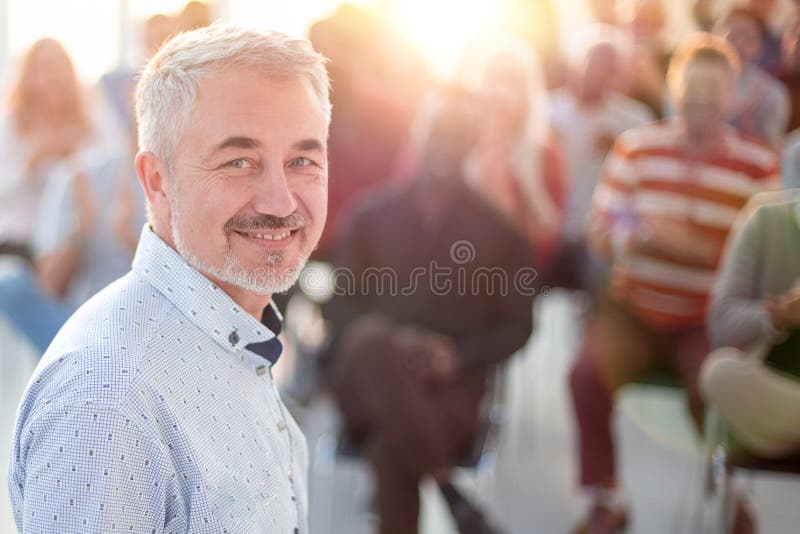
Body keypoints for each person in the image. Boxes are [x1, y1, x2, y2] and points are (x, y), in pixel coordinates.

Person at [9, 24, 330, 533]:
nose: (282, 201)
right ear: (158, 182)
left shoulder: (236, 338)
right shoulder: (109, 397)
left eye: (303, 161)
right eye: (240, 161)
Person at [569, 33, 779, 533]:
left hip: (705, 320)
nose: (702, 95)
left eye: (714, 86)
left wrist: (699, 251)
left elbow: (764, 256)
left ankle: (727, 497)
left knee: (713, 390)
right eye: (692, 84)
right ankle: (607, 499)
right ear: (672, 87)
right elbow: (602, 229)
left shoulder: (757, 165)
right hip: (634, 310)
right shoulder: (636, 148)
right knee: (584, 379)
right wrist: (639, 237)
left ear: (732, 96)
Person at [327, 89, 534, 534]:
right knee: (372, 338)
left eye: (460, 137)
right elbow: (338, 309)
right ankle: (448, 487)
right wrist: (401, 346)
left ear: (474, 145)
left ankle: (445, 488)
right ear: (419, 137)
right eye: (439, 133)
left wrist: (459, 355)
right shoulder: (369, 217)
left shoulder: (502, 234)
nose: (446, 146)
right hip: (365, 381)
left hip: (450, 389)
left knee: (390, 451)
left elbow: (518, 327)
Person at [0, 38, 124, 352]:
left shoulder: (94, 121)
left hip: (82, 239)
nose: (52, 78)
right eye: (43, 70)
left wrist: (77, 162)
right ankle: (80, 354)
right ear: (28, 77)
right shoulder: (11, 127)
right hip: (22, 248)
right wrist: (33, 162)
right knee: (13, 287)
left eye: (59, 68)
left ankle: (84, 352)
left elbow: (119, 163)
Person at [550, 26, 654, 291]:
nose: (594, 72)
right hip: (551, 229)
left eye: (606, 66)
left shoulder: (634, 121)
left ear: (617, 75)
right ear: (574, 64)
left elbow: (646, 187)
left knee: (604, 285)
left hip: (598, 236)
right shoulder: (547, 112)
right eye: (589, 61)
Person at [702, 190, 800, 460]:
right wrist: (779, 315)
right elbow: (721, 322)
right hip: (773, 393)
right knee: (721, 373)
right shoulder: (768, 220)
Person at [465, 39, 566, 275]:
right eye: (491, 78)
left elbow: (546, 244)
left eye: (512, 82)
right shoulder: (452, 140)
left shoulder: (544, 153)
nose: (498, 92)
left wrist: (510, 191)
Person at [716, 7, 790, 148]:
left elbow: (771, 149)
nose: (739, 44)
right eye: (732, 35)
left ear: (760, 47)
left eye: (748, 38)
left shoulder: (773, 94)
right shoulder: (693, 81)